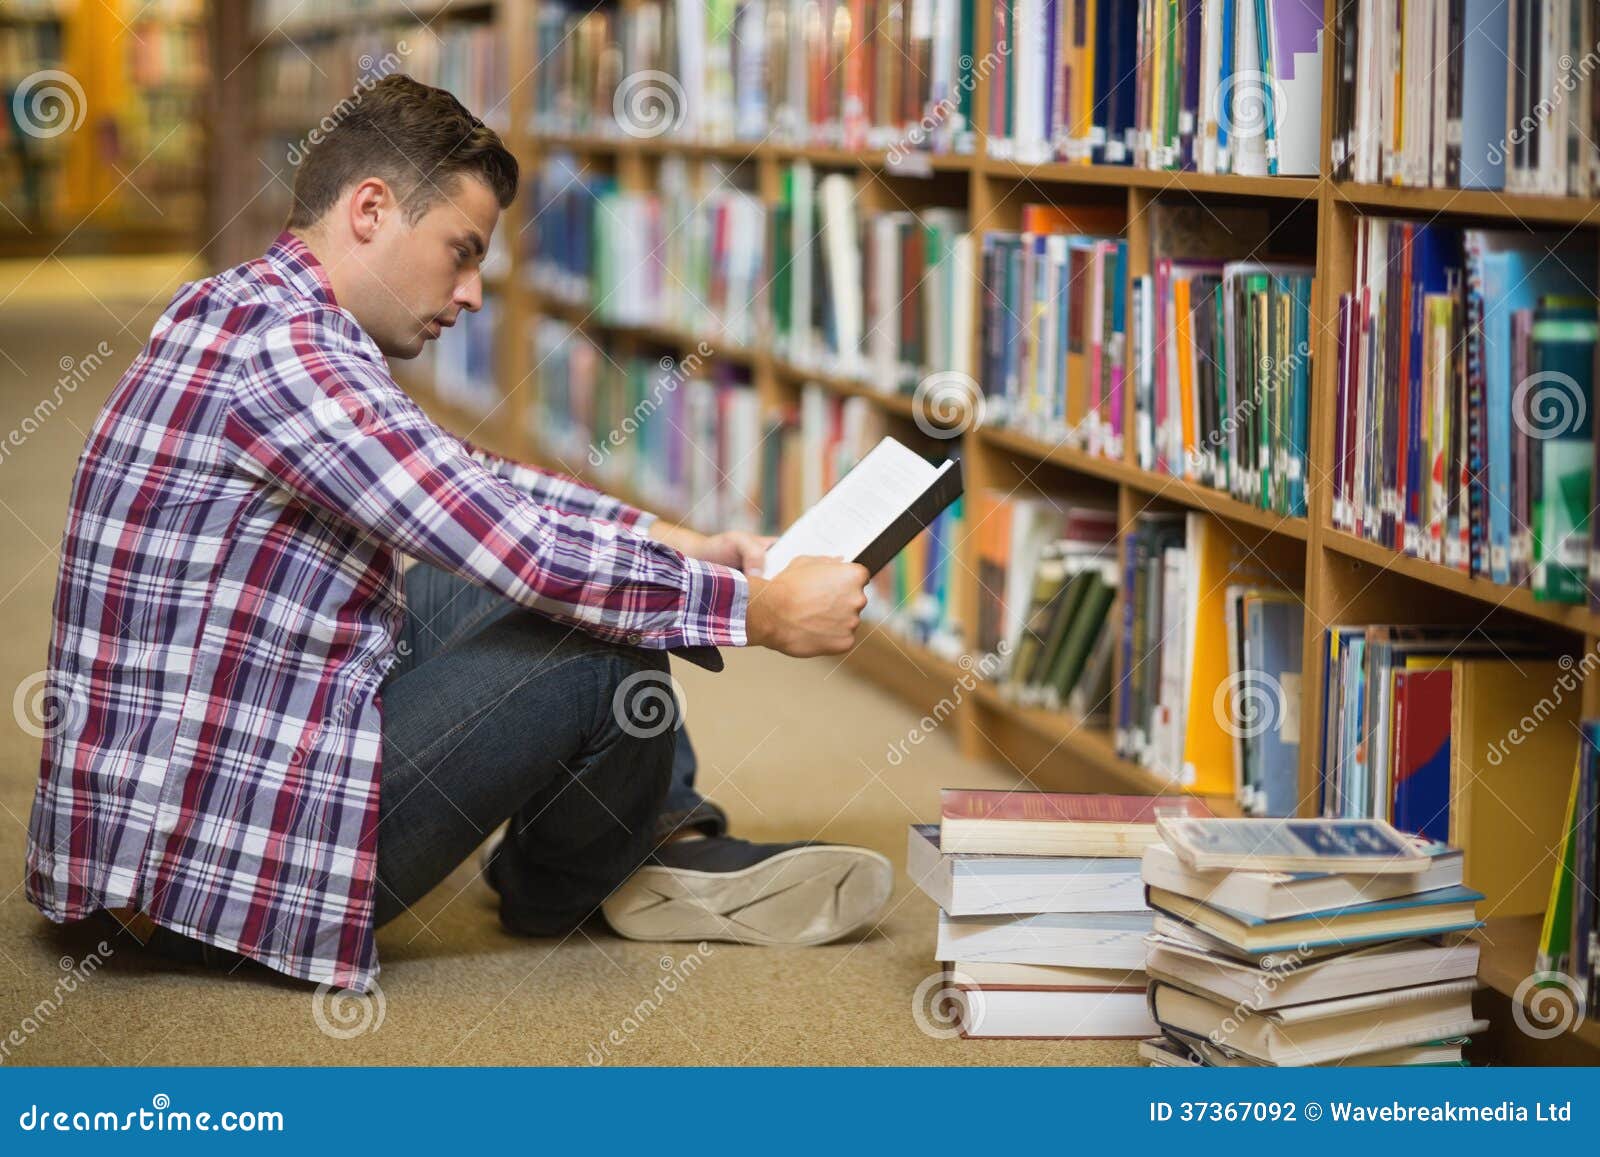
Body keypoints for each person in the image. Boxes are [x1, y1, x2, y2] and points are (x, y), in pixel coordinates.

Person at [24, 75, 891, 995]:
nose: (474, 292)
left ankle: (653, 834)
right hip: (204, 883)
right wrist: (757, 610)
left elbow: (465, 484)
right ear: (371, 209)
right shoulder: (291, 355)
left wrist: (668, 537)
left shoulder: (247, 307)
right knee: (603, 647)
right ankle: (571, 875)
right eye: (462, 252)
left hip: (183, 807)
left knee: (554, 582)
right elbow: (528, 552)